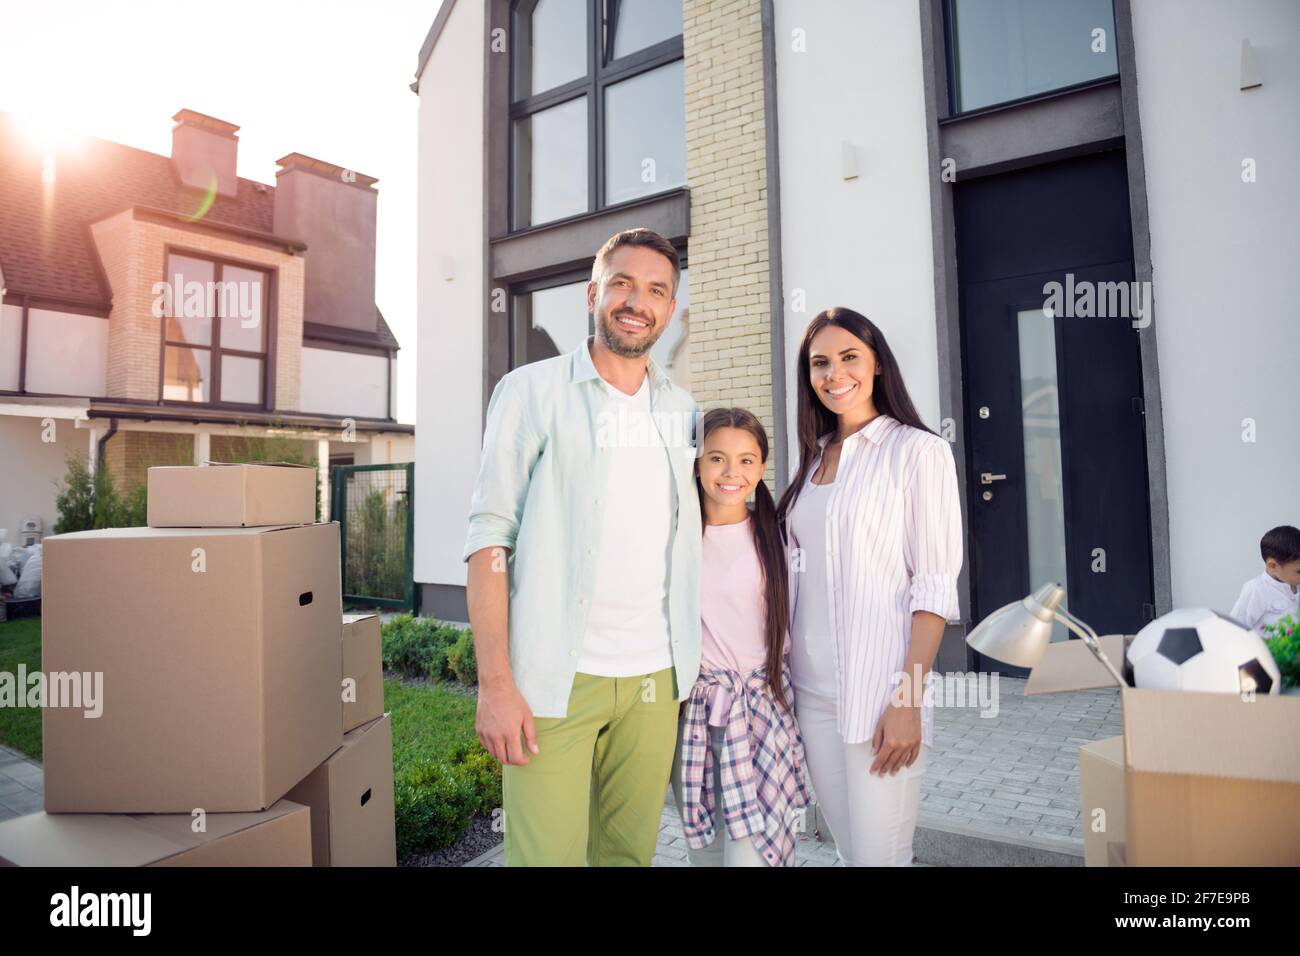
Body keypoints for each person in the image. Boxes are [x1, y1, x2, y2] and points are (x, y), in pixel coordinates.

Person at [462, 228, 701, 866]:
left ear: (669, 311)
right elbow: (489, 537)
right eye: (622, 282)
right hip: (552, 682)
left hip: (655, 682)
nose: (636, 300)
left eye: (656, 290)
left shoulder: (683, 412)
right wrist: (495, 685)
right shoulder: (530, 392)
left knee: (628, 859)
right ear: (593, 293)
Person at [776, 306, 963, 867]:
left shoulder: (917, 452)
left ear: (877, 363)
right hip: (810, 697)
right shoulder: (811, 462)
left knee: (881, 858)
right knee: (850, 852)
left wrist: (907, 700)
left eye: (849, 357)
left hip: (880, 696)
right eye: (820, 363)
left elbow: (933, 586)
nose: (835, 374)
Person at [669, 407, 814, 867]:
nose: (732, 473)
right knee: (706, 857)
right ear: (696, 463)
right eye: (717, 459)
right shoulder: (676, 536)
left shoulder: (777, 534)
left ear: (763, 467)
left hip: (761, 717)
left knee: (752, 857)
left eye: (747, 460)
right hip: (694, 720)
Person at [1229, 525, 1300, 635]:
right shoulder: (1256, 590)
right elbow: (1235, 627)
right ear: (1272, 566)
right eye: (1298, 571)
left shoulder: (1296, 584)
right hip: (1268, 650)